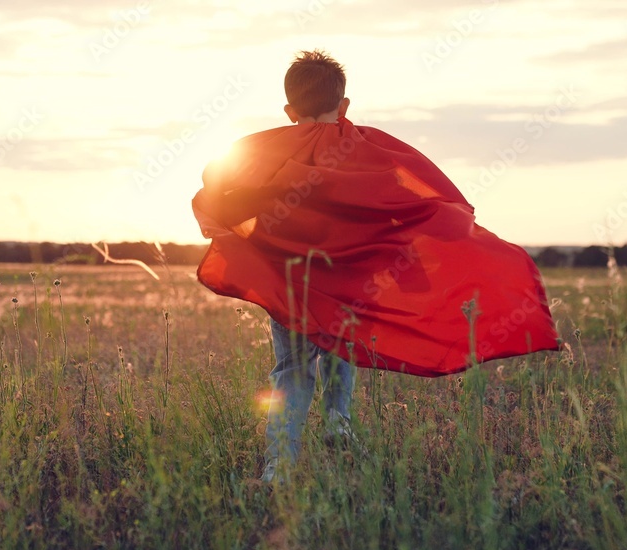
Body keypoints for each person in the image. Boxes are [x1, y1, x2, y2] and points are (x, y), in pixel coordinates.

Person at [191, 50, 559, 484]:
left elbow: (217, 188)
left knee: (291, 368)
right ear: (344, 104)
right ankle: (338, 426)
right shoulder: (363, 147)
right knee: (341, 345)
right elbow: (411, 192)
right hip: (351, 279)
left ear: (289, 110)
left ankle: (280, 464)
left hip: (289, 281)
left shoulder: (262, 150)